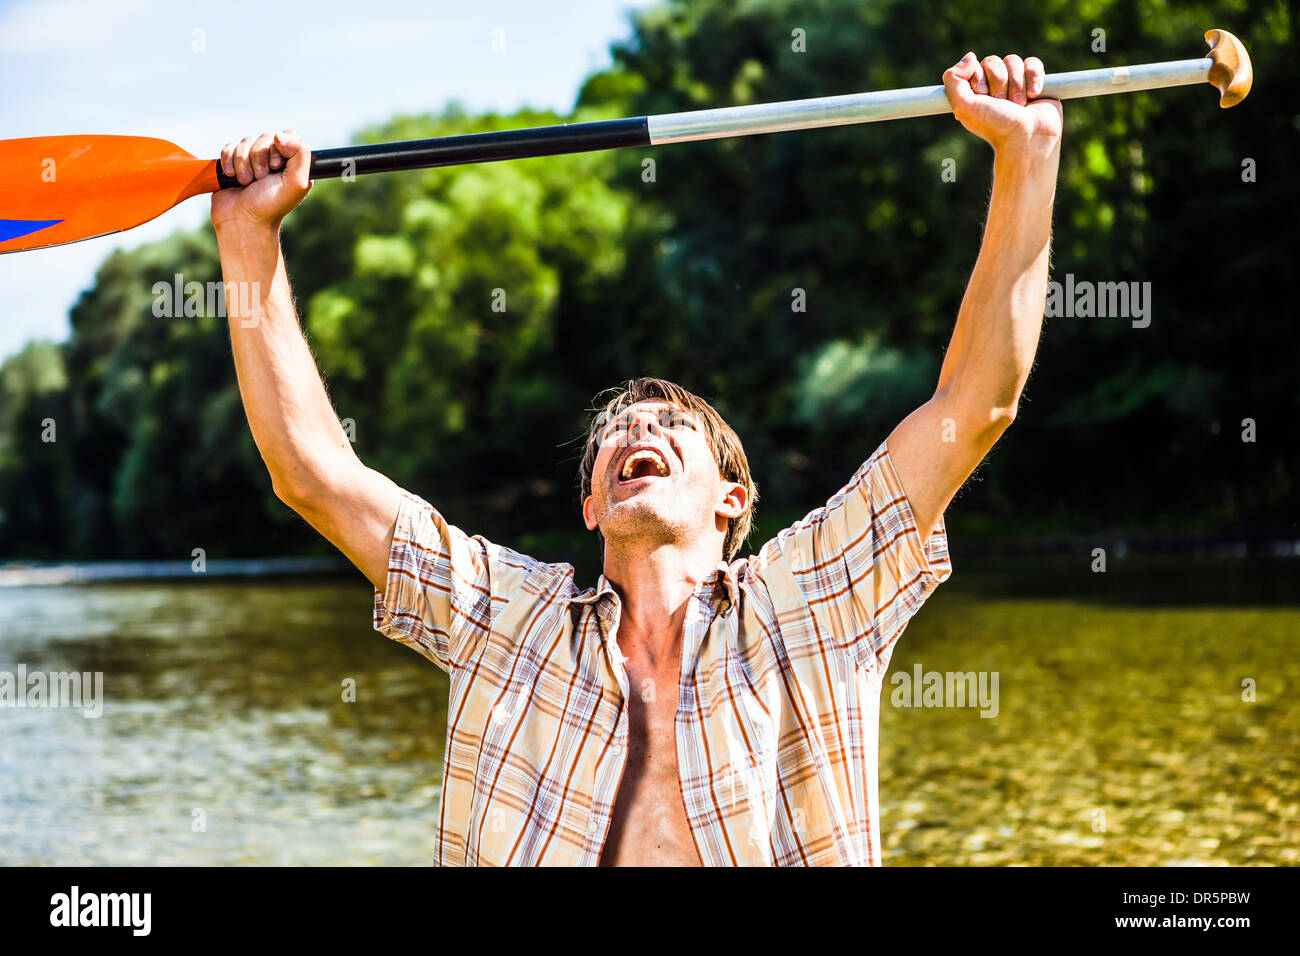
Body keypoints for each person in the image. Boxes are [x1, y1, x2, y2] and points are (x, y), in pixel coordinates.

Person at [211, 50, 1062, 866]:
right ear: (589, 507)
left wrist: (1026, 158)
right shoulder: (506, 621)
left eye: (671, 427)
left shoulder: (810, 599)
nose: (635, 434)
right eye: (613, 434)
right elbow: (313, 473)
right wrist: (250, 240)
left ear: (733, 499)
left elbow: (976, 404)